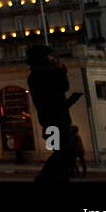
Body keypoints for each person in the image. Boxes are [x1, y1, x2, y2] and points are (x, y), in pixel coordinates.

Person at [27, 45, 81, 183]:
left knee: (61, 151)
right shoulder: (46, 72)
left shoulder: (34, 75)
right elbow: (62, 87)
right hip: (57, 120)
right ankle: (44, 179)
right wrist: (61, 71)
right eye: (50, 56)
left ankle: (57, 178)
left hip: (48, 120)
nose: (54, 59)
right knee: (64, 152)